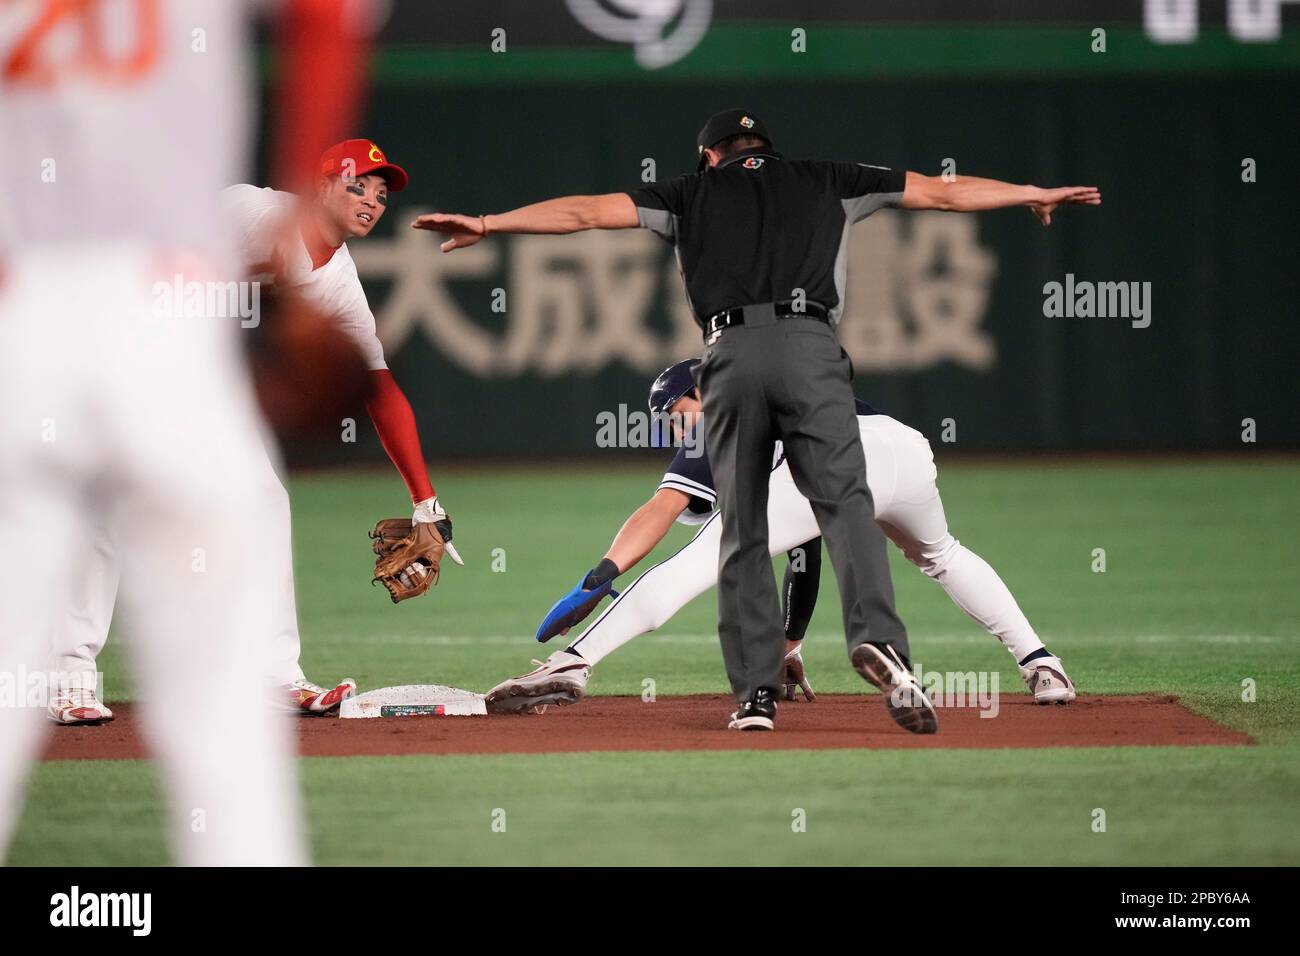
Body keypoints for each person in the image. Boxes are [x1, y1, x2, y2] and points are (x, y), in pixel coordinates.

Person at [414, 109, 1099, 733]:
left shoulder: (688, 192)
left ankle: (738, 694)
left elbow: (584, 213)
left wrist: (490, 224)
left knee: (732, 542)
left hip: (734, 352)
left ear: (709, 156)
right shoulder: (830, 178)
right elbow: (946, 193)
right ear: (765, 148)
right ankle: (1010, 658)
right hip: (865, 408)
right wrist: (1030, 194)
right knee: (897, 532)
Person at [0, 0, 375, 865]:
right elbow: (327, 18)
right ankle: (82, 676)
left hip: (24, 321)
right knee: (229, 753)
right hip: (161, 335)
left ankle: (70, 675)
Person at [44, 138, 463, 724]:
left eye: (381, 192)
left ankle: (274, 676)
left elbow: (381, 390)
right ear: (320, 185)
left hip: (203, 386)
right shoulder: (252, 212)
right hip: (125, 351)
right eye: (357, 184)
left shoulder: (338, 284)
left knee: (264, 500)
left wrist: (425, 500)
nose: (371, 199)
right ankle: (68, 678)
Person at [486, 360, 1077, 717]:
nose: (677, 423)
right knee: (942, 555)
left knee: (696, 563)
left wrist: (600, 575)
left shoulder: (723, 412)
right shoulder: (775, 382)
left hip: (828, 458)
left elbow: (658, 511)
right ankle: (1042, 665)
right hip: (899, 445)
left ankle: (572, 663)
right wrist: (790, 643)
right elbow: (805, 547)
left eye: (676, 409)